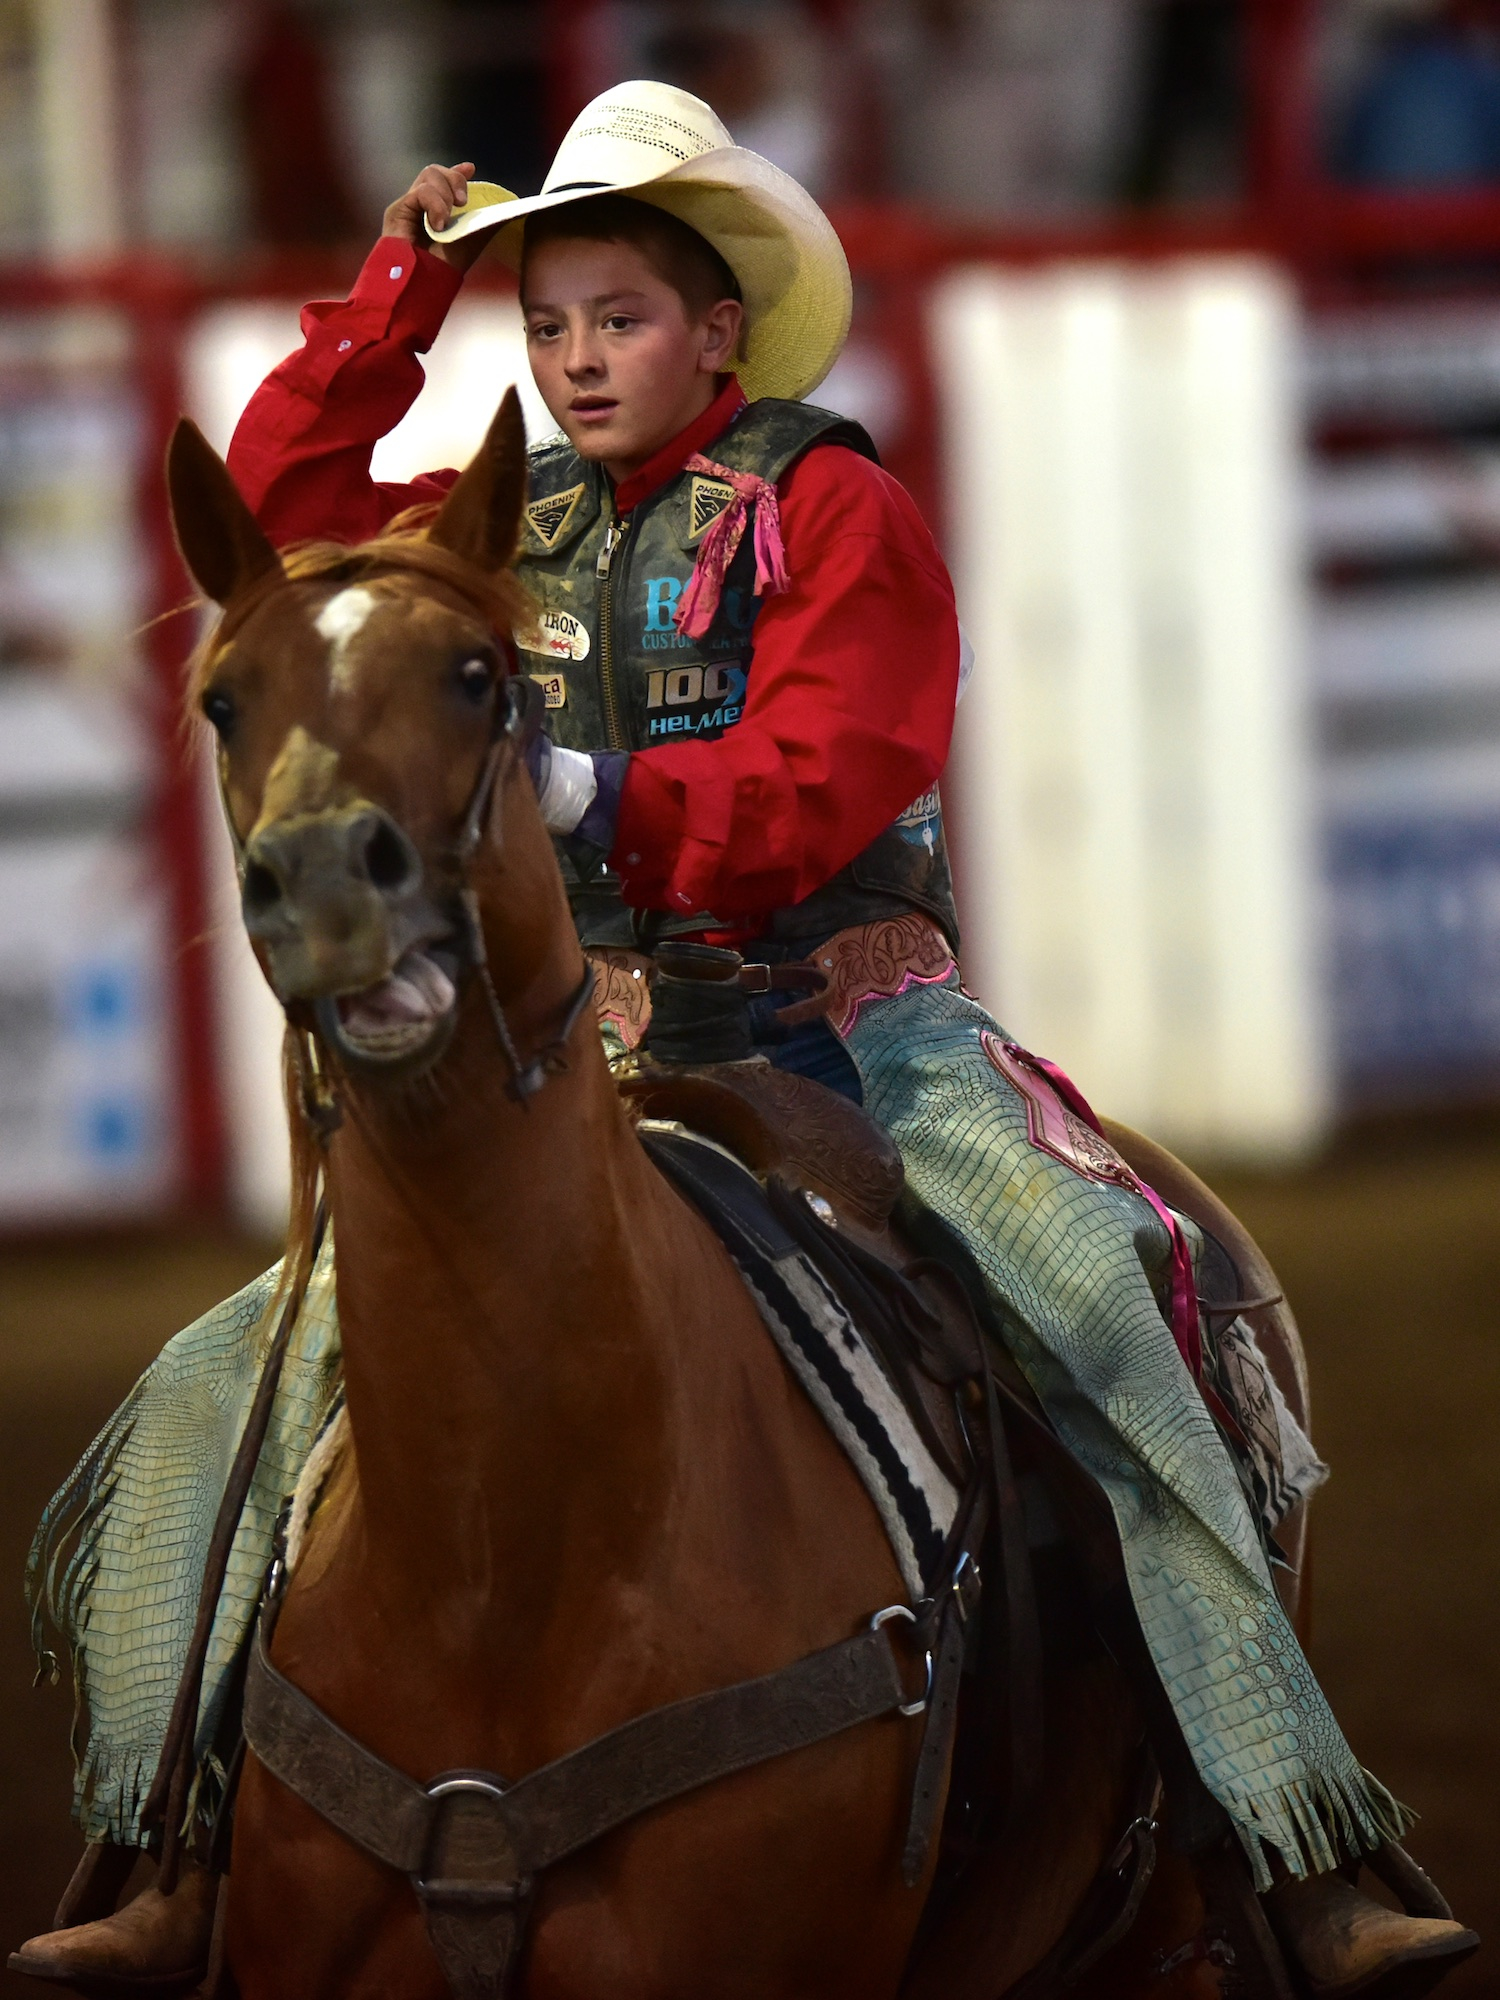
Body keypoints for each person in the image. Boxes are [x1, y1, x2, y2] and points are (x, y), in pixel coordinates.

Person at [13, 79, 1476, 2000]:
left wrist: (587, 791)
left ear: (718, 333)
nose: (576, 356)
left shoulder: (826, 503)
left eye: (616, 318)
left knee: (1114, 1307)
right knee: (222, 1393)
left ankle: (1291, 1849)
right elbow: (270, 541)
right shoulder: (491, 526)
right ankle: (170, 1866)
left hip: (850, 1035)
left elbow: (825, 768)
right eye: (544, 323)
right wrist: (391, 300)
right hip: (585, 1059)